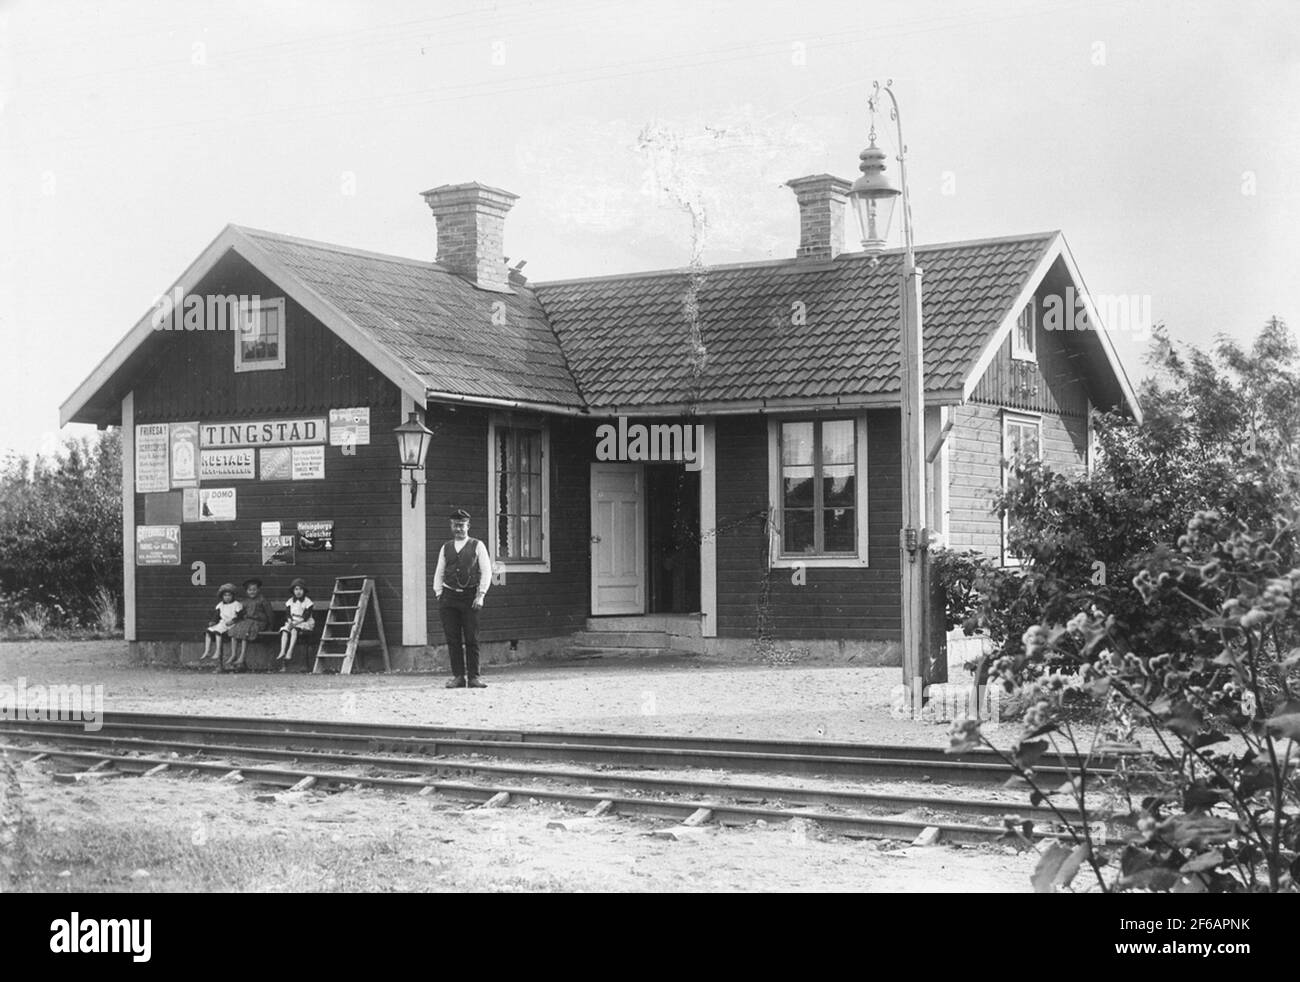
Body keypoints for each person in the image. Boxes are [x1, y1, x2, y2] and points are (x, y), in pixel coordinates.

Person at [433, 508, 492, 688]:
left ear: (468, 526)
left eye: (462, 525)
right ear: (451, 526)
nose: (458, 529)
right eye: (455, 526)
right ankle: (458, 677)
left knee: (471, 638)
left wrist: (480, 595)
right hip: (449, 597)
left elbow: (487, 571)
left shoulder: (477, 545)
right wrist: (439, 593)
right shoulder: (446, 547)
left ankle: (474, 677)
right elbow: (439, 572)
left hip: (470, 598)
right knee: (453, 639)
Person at [226, 577, 273, 672]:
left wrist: (270, 627)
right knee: (234, 630)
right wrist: (234, 621)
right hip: (247, 622)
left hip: (259, 623)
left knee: (245, 631)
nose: (252, 592)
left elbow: (270, 614)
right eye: (250, 590)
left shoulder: (262, 600)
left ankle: (242, 657)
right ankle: (234, 654)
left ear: (258, 590)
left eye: (254, 590)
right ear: (247, 591)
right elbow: (240, 614)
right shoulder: (245, 601)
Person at [277, 578, 316, 670]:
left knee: (294, 630)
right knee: (285, 631)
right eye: (296, 589)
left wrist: (295, 624)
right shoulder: (290, 602)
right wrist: (290, 621)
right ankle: (282, 651)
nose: (298, 592)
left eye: (301, 589)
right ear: (293, 591)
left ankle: (290, 651)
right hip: (293, 621)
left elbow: (306, 616)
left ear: (304, 590)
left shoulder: (308, 602)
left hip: (304, 623)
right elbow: (287, 614)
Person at [200, 583, 243, 666]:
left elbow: (240, 616)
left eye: (229, 595)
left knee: (218, 632)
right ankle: (207, 650)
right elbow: (216, 616)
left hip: (231, 624)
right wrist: (213, 622)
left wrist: (233, 620)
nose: (227, 597)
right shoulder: (220, 605)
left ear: (233, 596)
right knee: (208, 631)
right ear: (222, 596)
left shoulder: (236, 604)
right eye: (225, 595)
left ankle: (218, 651)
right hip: (222, 623)